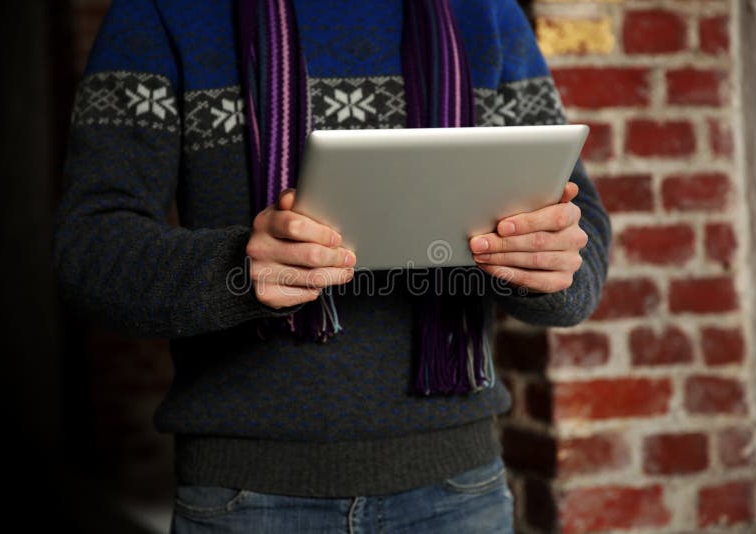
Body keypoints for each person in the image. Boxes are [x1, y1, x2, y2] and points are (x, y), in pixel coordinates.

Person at [54, 0, 611, 532]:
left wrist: (549, 263)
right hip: (246, 497)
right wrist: (236, 271)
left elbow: (577, 229)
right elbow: (89, 251)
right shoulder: (160, 8)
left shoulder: (484, 11)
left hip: (459, 490)